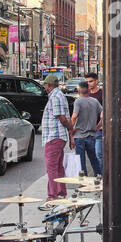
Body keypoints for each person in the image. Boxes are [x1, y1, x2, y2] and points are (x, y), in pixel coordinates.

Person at [40, 73, 72, 204]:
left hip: (54, 136)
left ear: (48, 85)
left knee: (51, 167)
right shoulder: (59, 95)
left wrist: (70, 128)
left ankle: (53, 195)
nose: (45, 88)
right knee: (58, 166)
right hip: (57, 136)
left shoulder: (55, 97)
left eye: (45, 85)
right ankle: (61, 192)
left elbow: (62, 118)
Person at [69, 80, 102, 177]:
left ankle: (84, 180)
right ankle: (99, 176)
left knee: (80, 160)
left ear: (79, 91)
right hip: (91, 135)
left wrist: (71, 129)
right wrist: (97, 126)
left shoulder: (78, 101)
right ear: (88, 90)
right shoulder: (94, 101)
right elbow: (103, 115)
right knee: (93, 158)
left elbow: (74, 116)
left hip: (79, 136)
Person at [85, 72, 105, 170]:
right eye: (87, 82)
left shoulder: (102, 93)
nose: (89, 84)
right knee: (92, 156)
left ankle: (102, 177)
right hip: (88, 130)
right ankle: (98, 175)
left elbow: (104, 112)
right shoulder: (86, 94)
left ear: (96, 81)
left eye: (91, 81)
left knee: (98, 154)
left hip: (99, 129)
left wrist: (98, 126)